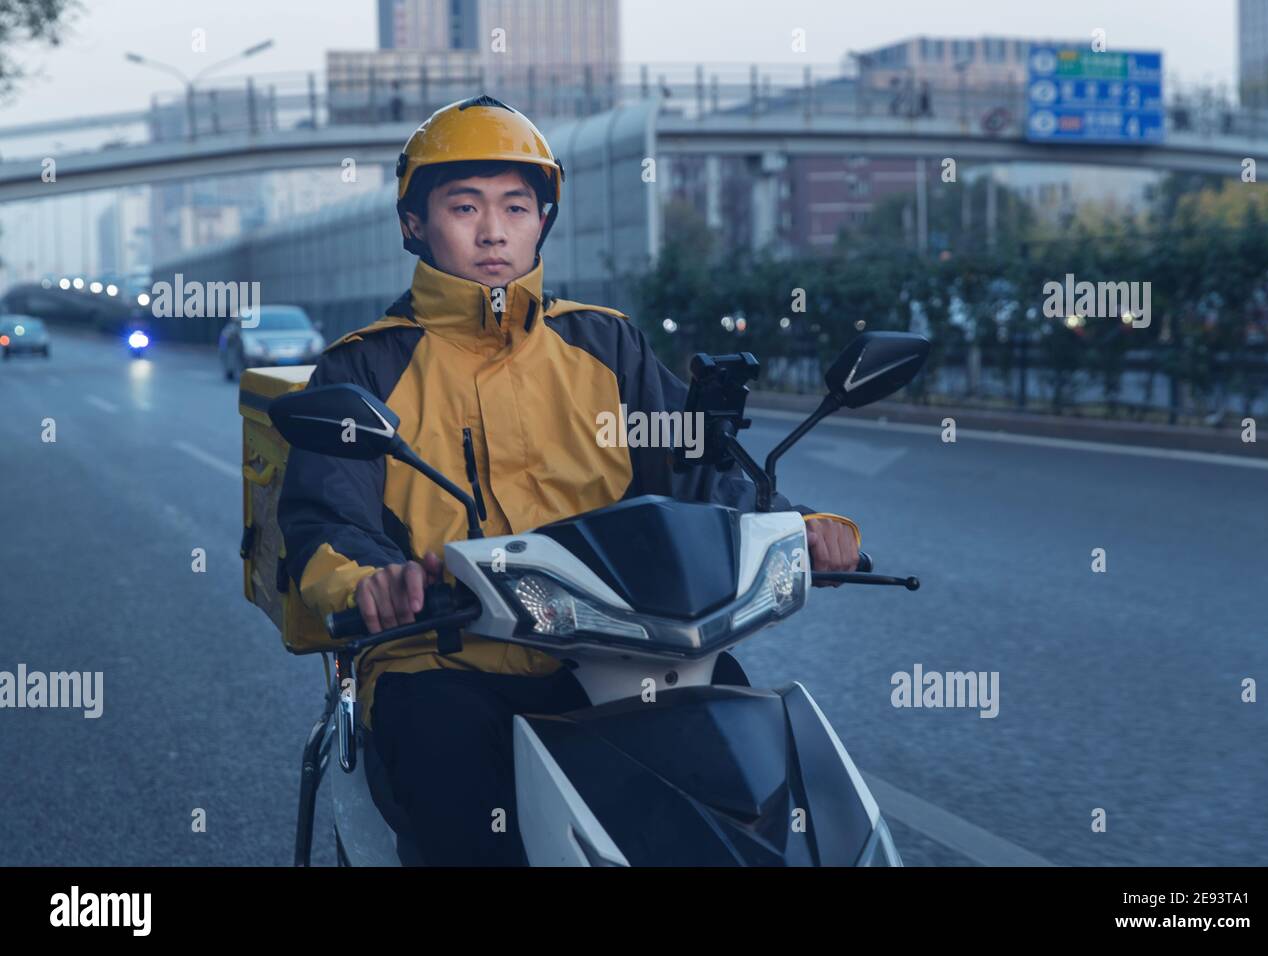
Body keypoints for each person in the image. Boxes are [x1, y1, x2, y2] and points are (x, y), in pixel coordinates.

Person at [277, 94, 864, 865]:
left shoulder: (603, 344)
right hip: (446, 662)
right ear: (415, 223)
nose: (494, 230)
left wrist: (798, 524)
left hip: (625, 650)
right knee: (458, 798)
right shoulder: (366, 364)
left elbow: (697, 470)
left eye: (516, 207)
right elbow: (324, 522)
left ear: (541, 220)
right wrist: (370, 585)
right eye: (464, 206)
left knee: (742, 756)